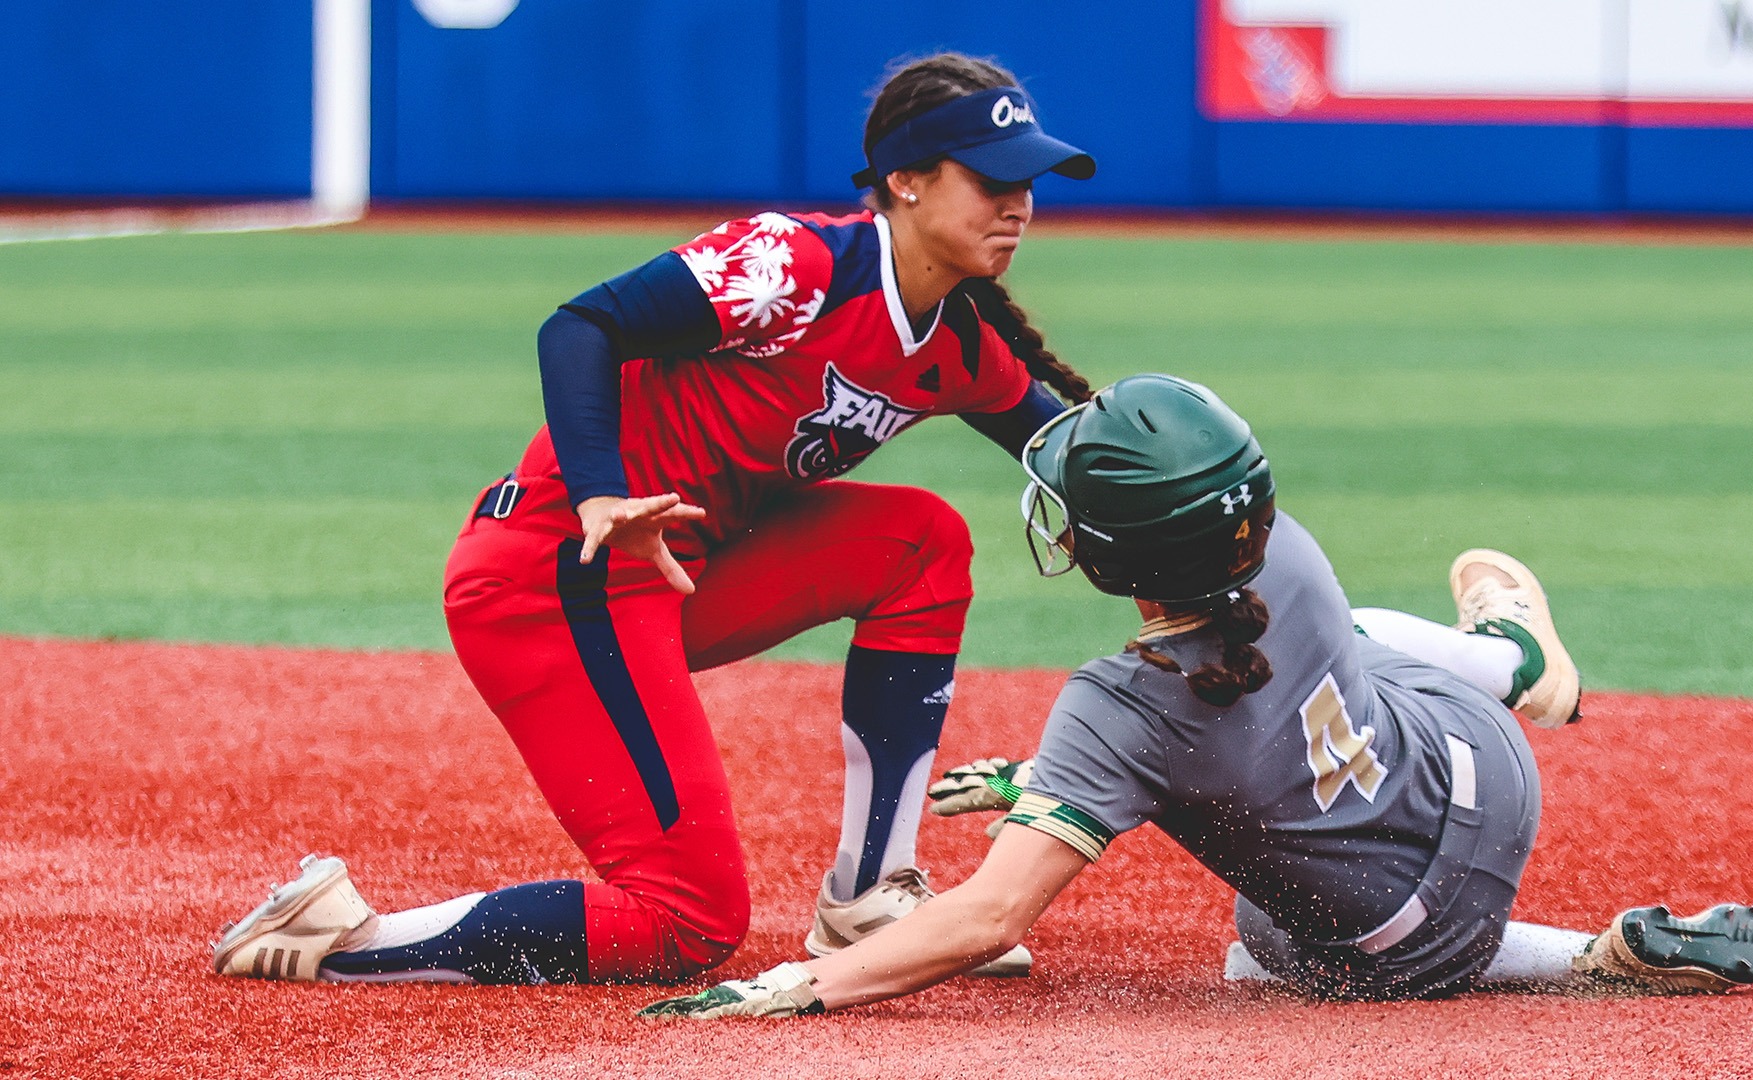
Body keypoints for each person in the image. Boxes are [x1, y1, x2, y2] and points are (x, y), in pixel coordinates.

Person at [210, 52, 1101, 986]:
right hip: (556, 572)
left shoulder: (958, 344)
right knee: (687, 923)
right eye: (992, 179)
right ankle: (344, 940)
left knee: (923, 543)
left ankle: (869, 894)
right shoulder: (794, 267)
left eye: (1028, 183)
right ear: (906, 180)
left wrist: (1195, 552)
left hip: (674, 575)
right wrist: (598, 492)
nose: (1018, 204)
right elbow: (581, 326)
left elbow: (1083, 463)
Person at [636, 374, 1753, 1018]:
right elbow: (1242, 712)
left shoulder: (1114, 714)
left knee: (1258, 947)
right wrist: (1054, 778)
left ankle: (1580, 957)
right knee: (1360, 640)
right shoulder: (1285, 553)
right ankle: (1514, 663)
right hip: (1489, 765)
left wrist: (797, 984)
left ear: (1110, 557)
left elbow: (988, 919)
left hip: (1417, 937)